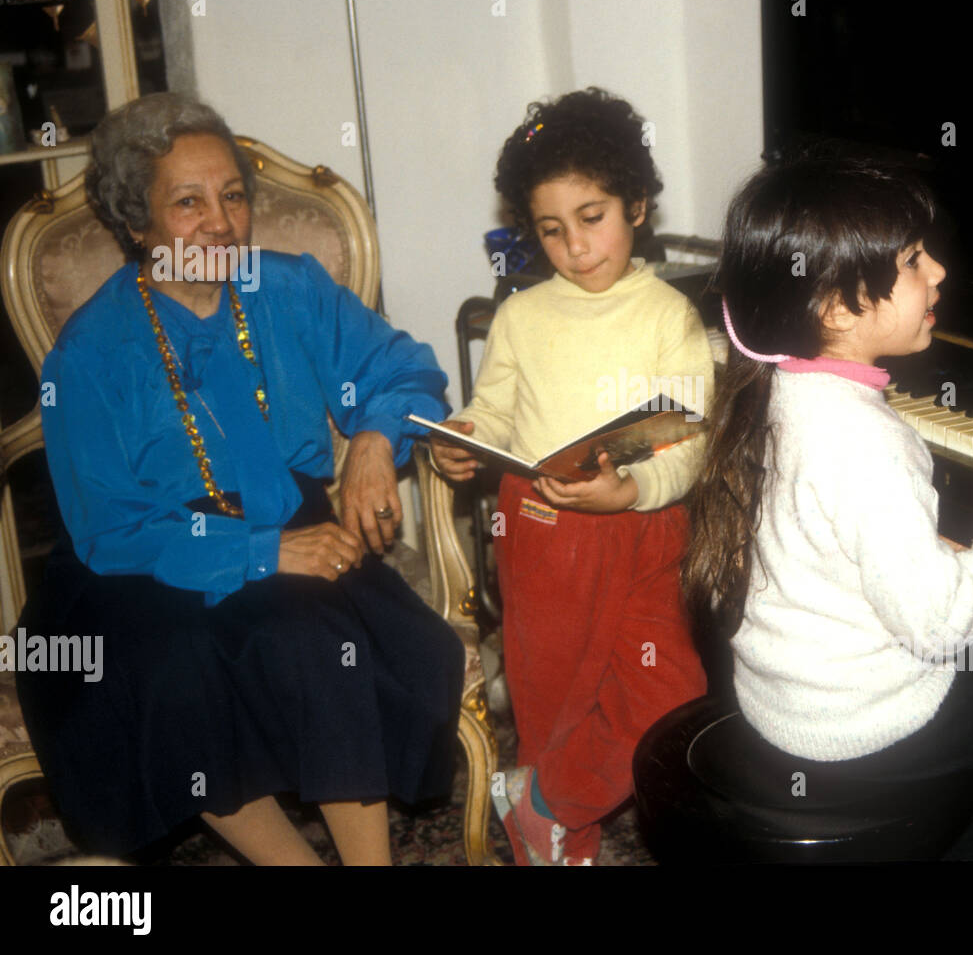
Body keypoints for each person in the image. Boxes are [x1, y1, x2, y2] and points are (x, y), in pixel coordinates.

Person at [16, 92, 464, 865]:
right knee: (176, 672)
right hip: (142, 562)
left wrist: (369, 438)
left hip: (295, 518)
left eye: (231, 196)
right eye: (187, 203)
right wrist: (261, 554)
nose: (219, 223)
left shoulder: (287, 287)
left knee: (322, 643)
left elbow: (403, 367)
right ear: (134, 221)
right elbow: (106, 527)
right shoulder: (88, 352)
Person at [681, 155, 973, 858]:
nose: (940, 273)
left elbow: (823, 539)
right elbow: (938, 627)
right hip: (863, 725)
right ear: (833, 306)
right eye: (913, 260)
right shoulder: (865, 440)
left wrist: (943, 550)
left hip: (788, 699)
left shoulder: (776, 388)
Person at [431, 88, 711, 865]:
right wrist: (464, 439)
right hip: (545, 529)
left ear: (638, 206)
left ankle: (546, 802)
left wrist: (633, 490)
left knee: (671, 694)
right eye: (551, 231)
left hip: (646, 527)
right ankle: (562, 841)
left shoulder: (668, 317)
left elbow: (688, 444)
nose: (576, 248)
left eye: (593, 219)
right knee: (556, 699)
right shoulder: (522, 315)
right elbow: (492, 411)